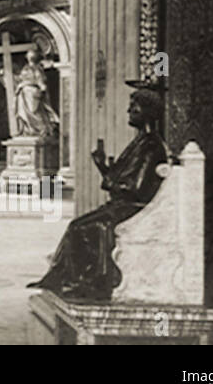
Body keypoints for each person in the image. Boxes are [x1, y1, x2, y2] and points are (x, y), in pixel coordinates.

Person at [28, 82, 169, 300]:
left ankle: (87, 283)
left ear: (149, 111)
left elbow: (135, 189)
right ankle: (67, 279)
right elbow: (122, 181)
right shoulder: (140, 142)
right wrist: (103, 167)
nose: (128, 110)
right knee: (78, 225)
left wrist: (109, 179)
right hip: (122, 205)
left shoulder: (151, 146)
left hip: (134, 209)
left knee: (82, 227)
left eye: (135, 106)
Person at [15, 46, 60, 139]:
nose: (29, 58)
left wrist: (42, 87)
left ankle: (40, 130)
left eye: (31, 56)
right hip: (23, 92)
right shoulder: (26, 67)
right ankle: (27, 130)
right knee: (23, 112)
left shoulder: (37, 68)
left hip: (32, 92)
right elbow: (20, 78)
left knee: (33, 111)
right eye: (28, 56)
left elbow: (40, 79)